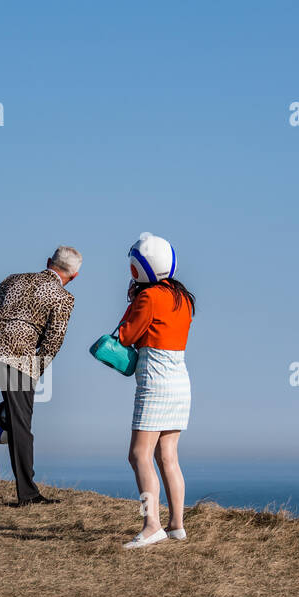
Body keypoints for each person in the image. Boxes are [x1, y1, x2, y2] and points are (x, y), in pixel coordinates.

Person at [0, 246, 80, 506]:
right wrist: (35, 370)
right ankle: (27, 495)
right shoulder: (63, 298)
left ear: (48, 262)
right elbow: (54, 341)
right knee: (20, 428)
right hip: (21, 359)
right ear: (74, 276)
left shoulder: (12, 279)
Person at [116, 235, 195, 548]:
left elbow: (125, 335)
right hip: (180, 381)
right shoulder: (182, 297)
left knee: (138, 455)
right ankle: (177, 524)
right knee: (168, 456)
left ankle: (152, 525)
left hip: (155, 381)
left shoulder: (148, 299)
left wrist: (132, 302)